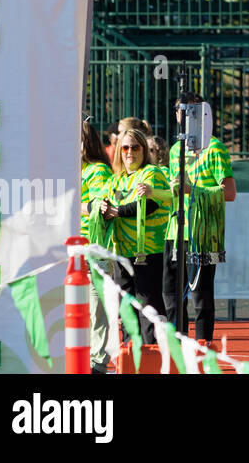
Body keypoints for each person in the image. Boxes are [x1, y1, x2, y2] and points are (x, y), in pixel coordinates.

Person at [163, 92, 235, 343]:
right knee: (171, 293)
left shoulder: (215, 148)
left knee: (200, 296)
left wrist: (192, 190)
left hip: (202, 232)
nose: (182, 115)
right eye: (178, 109)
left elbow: (229, 192)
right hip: (175, 229)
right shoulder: (174, 150)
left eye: (188, 109)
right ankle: (177, 344)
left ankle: (203, 348)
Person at [97, 127, 172, 344]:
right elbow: (102, 202)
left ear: (143, 150)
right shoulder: (115, 179)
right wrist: (101, 207)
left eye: (135, 147)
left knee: (149, 308)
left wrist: (118, 211)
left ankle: (155, 358)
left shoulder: (152, 173)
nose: (130, 152)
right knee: (126, 310)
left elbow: (150, 205)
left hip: (147, 252)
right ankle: (132, 358)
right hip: (121, 253)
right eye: (125, 147)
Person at [80, 120, 114, 373]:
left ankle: (98, 361)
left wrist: (72, 204)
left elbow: (100, 206)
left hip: (94, 246)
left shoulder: (98, 170)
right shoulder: (73, 170)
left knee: (96, 307)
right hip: (71, 247)